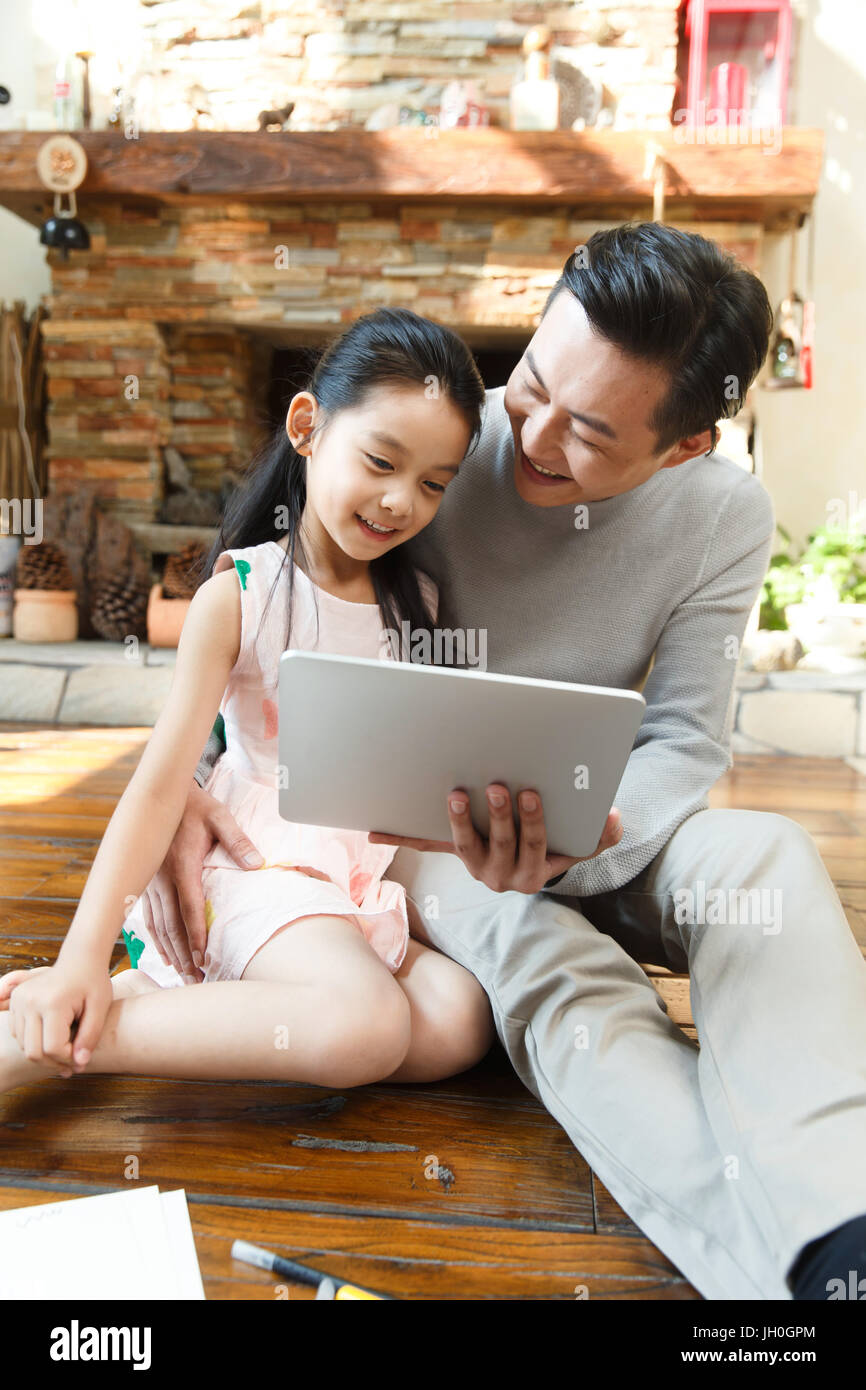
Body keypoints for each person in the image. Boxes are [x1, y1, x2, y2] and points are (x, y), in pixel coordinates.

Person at [149, 224, 866, 1301]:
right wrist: (192, 783)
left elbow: (682, 738)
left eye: (587, 432)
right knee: (537, 949)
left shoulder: (721, 514)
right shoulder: (433, 449)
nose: (529, 434)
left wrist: (588, 838)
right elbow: (273, 602)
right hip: (422, 835)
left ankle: (840, 1206)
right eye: (530, 381)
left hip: (608, 824)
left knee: (761, 855)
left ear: (681, 449)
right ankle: (819, 1269)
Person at [0, 306, 546, 1094]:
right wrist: (80, 958)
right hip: (258, 861)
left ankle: (149, 1008)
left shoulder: (417, 601)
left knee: (454, 1019)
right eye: (380, 460)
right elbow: (158, 784)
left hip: (347, 876)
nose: (399, 502)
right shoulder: (243, 595)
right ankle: (80, 1027)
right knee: (370, 1025)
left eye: (432, 485)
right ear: (307, 426)